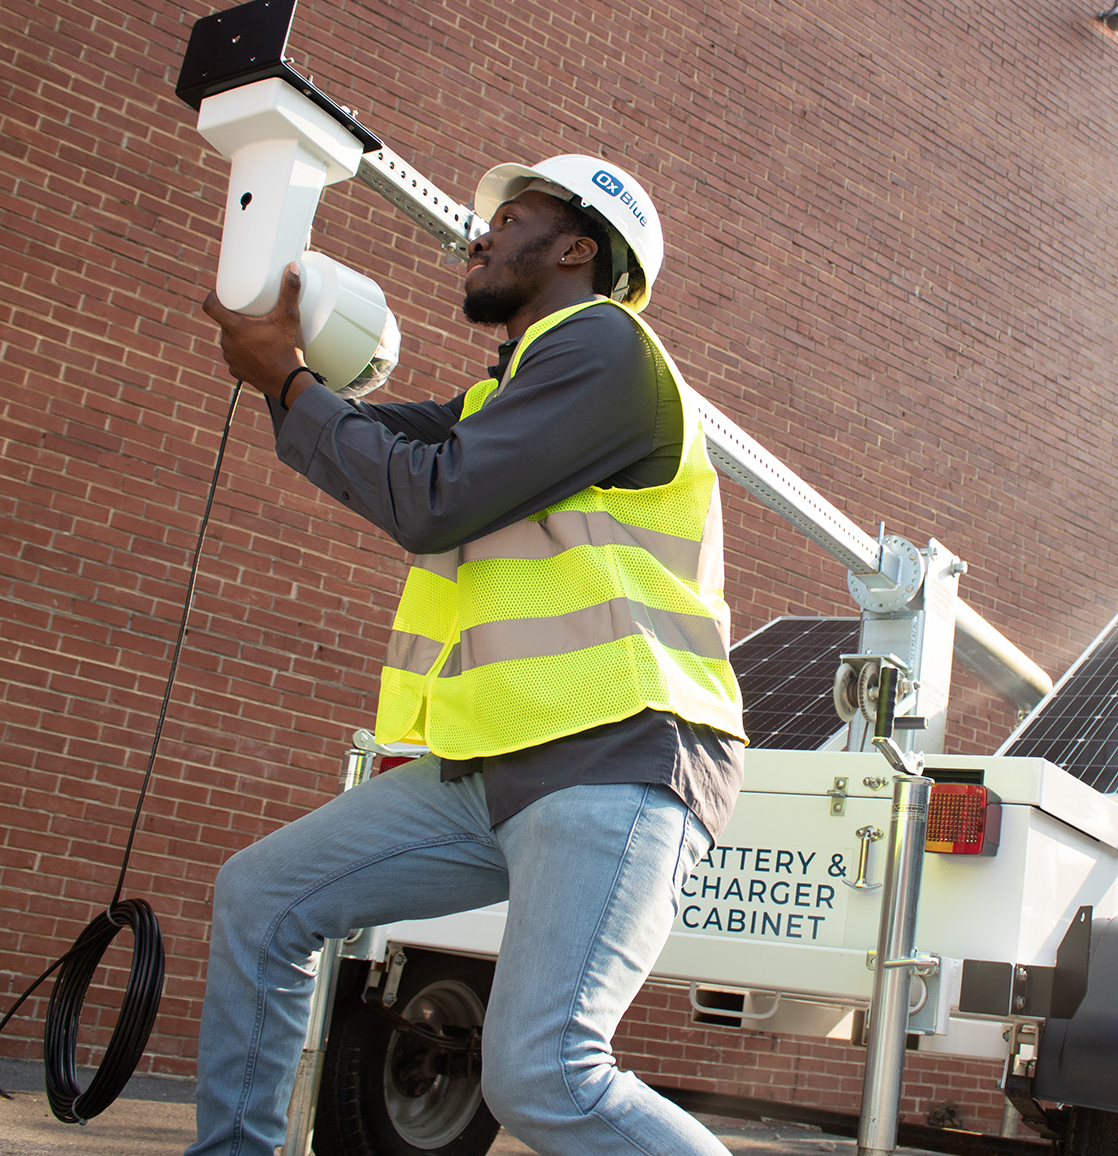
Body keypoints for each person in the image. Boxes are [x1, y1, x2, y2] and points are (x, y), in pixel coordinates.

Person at [192, 154, 746, 1156]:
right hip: (497, 768)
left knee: (543, 1074)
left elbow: (430, 496)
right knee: (261, 895)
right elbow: (359, 440)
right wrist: (282, 330)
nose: (479, 234)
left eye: (512, 217)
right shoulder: (508, 393)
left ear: (578, 247)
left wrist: (287, 374)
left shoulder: (605, 348)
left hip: (612, 756)